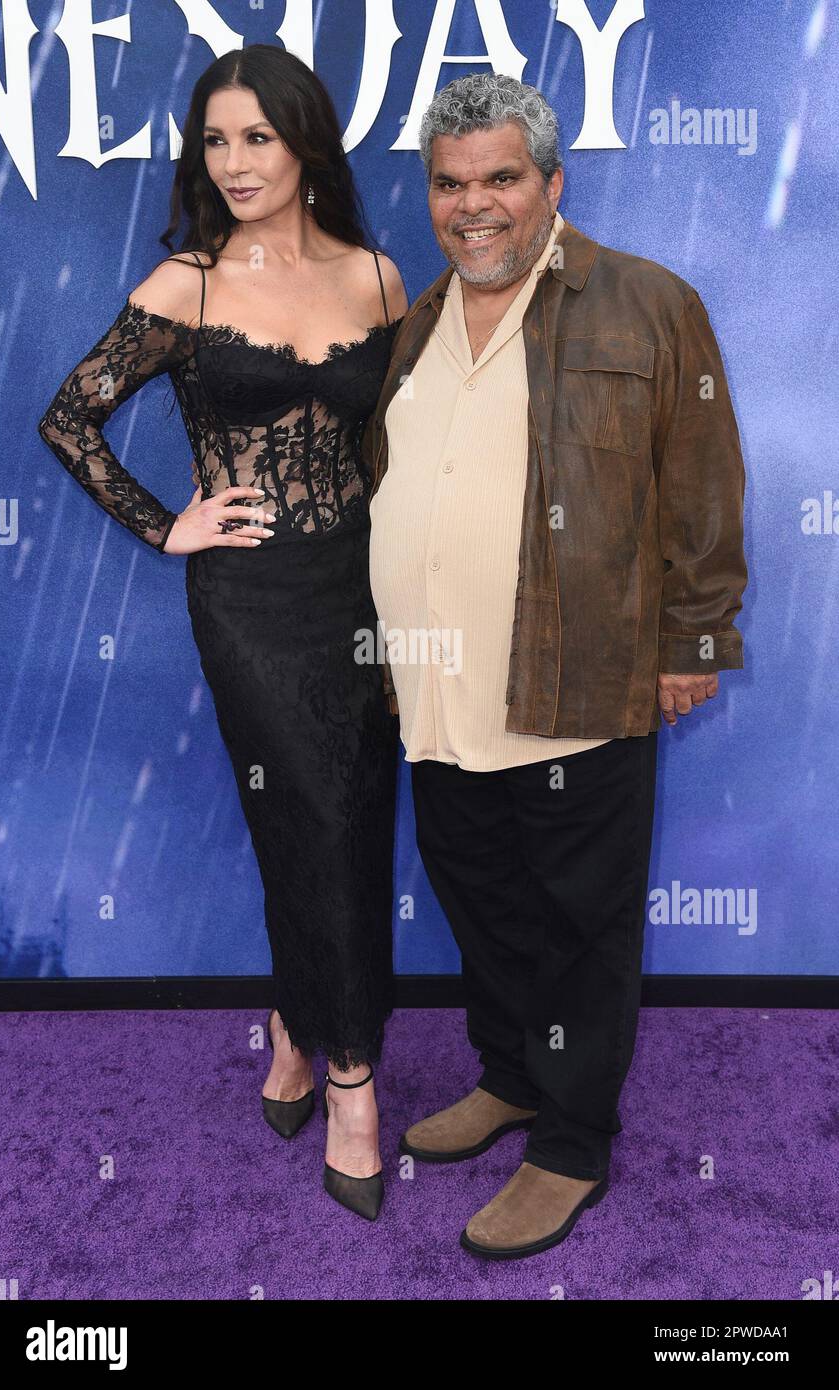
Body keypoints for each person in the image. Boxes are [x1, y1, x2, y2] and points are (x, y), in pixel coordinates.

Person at [366, 73, 747, 1258]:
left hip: (574, 690)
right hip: (434, 690)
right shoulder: (420, 319)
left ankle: (569, 1143)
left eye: (499, 179)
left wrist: (692, 641)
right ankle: (512, 1077)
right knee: (479, 906)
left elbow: (700, 482)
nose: (471, 205)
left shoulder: (643, 303)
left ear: (549, 185)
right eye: (448, 182)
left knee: (578, 926)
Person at [38, 44, 408, 1223]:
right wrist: (167, 526)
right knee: (299, 812)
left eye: (257, 136)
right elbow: (71, 418)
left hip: (360, 591)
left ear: (305, 143)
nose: (235, 162)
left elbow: (386, 450)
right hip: (248, 602)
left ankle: (300, 1026)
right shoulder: (184, 287)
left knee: (353, 820)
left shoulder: (377, 277)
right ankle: (354, 1088)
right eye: (214, 140)